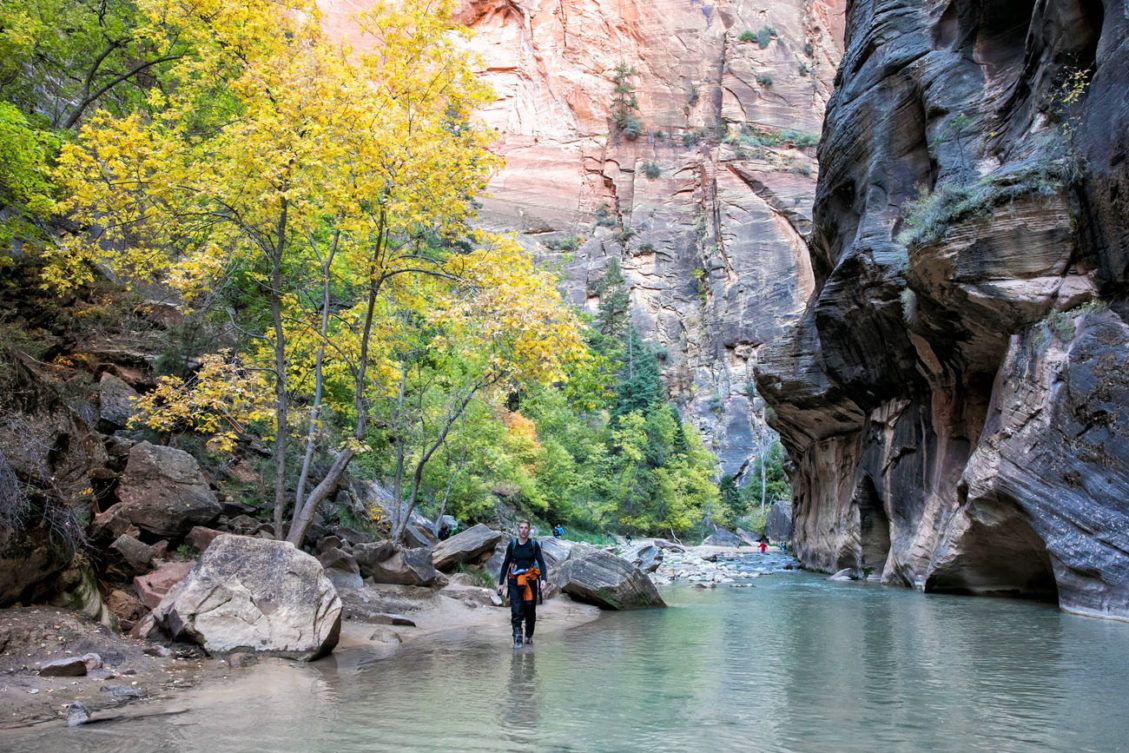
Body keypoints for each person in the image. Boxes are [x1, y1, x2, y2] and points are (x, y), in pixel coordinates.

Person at [497, 520, 547, 649]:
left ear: (529, 530)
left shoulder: (533, 545)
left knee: (530, 611)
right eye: (521, 528)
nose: (523, 530)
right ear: (517, 529)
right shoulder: (512, 545)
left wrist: (543, 579)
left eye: (525, 528)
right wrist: (501, 583)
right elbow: (505, 564)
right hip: (514, 581)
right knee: (516, 610)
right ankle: (517, 639)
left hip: (530, 581)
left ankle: (529, 635)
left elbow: (541, 563)